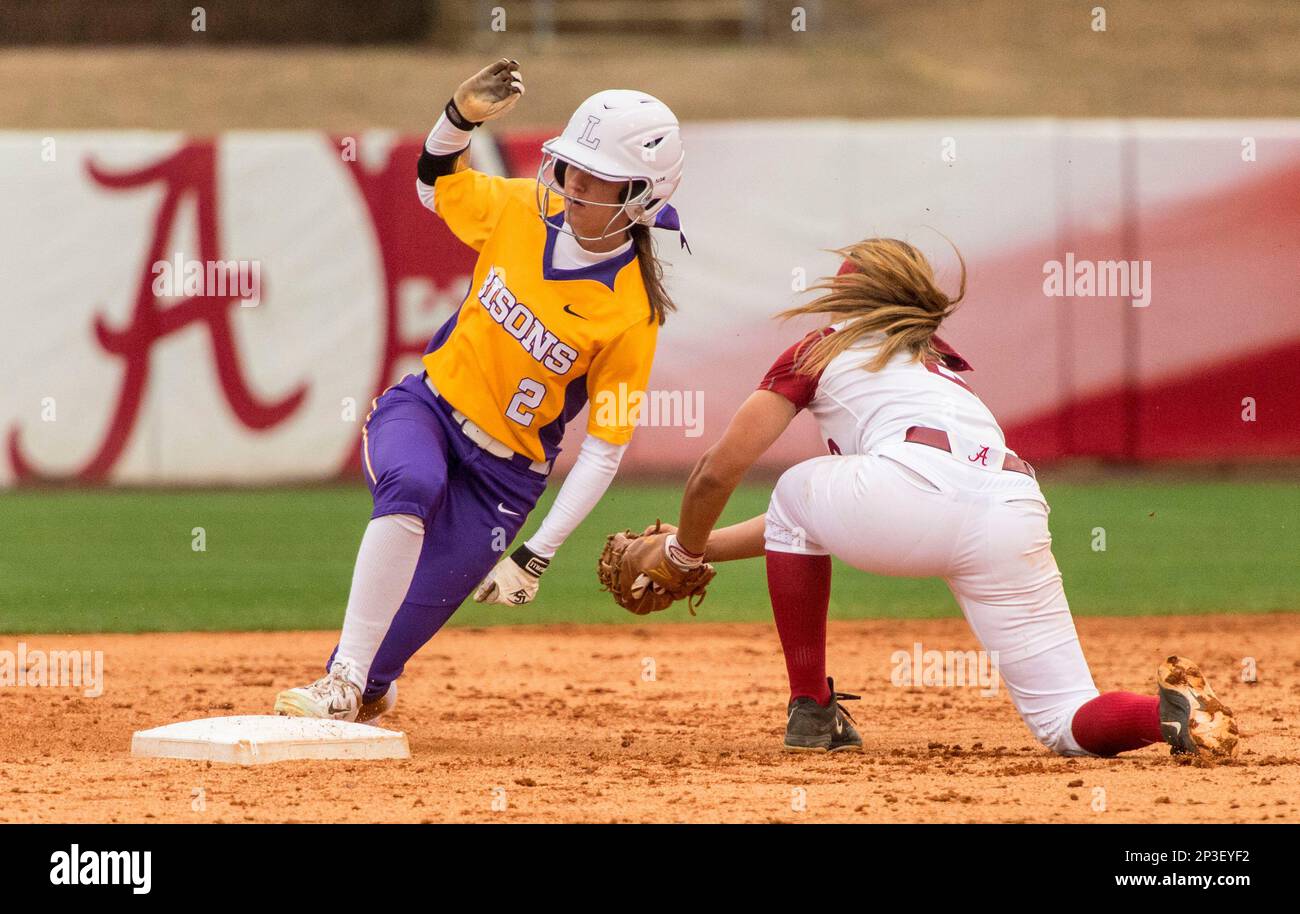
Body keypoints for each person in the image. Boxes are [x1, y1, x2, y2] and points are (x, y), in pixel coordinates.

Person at [645, 237, 1239, 758]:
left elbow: (715, 474)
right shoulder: (937, 368)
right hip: (1013, 509)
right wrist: (694, 548)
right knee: (1065, 721)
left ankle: (812, 707)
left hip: (908, 494)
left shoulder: (823, 347)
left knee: (795, 484)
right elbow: (794, 525)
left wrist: (681, 556)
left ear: (848, 301)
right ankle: (1166, 716)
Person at [276, 59, 686, 721]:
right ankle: (341, 680)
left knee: (384, 669)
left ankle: (367, 681)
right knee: (412, 486)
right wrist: (457, 119)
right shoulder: (524, 208)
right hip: (429, 410)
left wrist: (535, 556)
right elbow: (434, 186)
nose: (574, 185)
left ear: (641, 195)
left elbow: (605, 450)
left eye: (598, 178)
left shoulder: (632, 313)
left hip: (507, 479)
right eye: (573, 167)